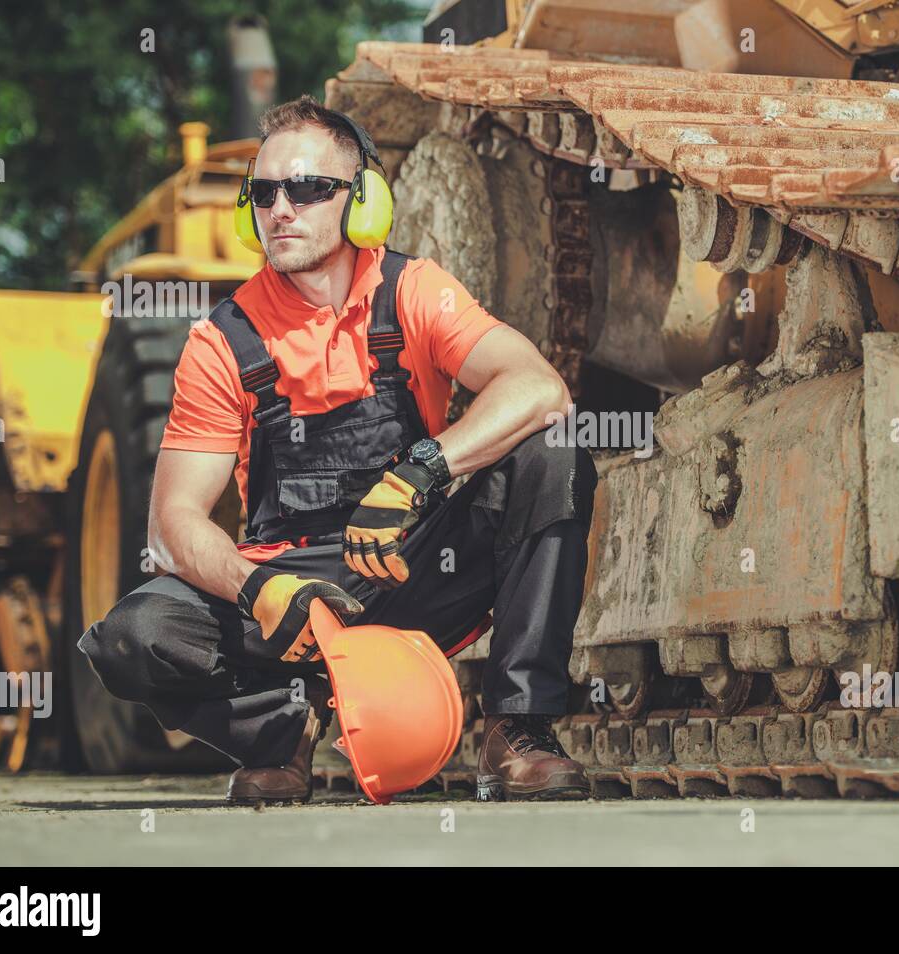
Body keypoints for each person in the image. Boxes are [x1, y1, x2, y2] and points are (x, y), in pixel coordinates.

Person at [78, 95, 597, 804]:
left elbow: (540, 388)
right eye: (264, 193)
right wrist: (255, 589)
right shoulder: (220, 342)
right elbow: (173, 525)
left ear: (362, 201)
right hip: (289, 603)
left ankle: (519, 728)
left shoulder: (414, 291)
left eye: (308, 189)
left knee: (553, 453)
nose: (281, 209)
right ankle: (280, 731)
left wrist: (421, 471)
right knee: (129, 637)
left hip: (415, 562)